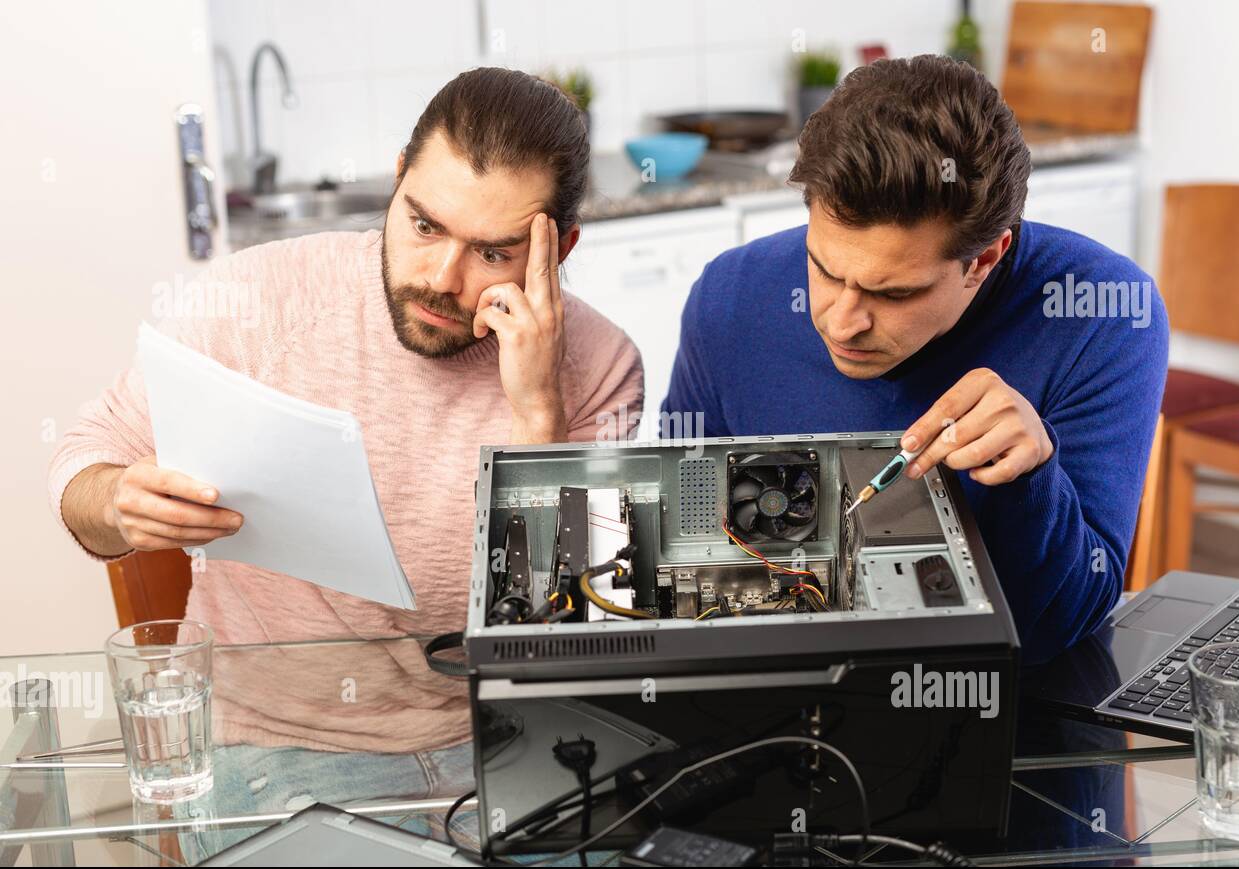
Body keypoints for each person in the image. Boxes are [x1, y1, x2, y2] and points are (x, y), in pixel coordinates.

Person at [47, 68, 643, 768]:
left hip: (501, 736)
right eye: (423, 224)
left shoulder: (599, 366)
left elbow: (563, 635)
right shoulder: (257, 297)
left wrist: (539, 414)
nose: (443, 279)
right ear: (396, 182)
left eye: (492, 253)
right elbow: (82, 461)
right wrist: (118, 504)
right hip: (276, 739)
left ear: (558, 251)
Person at [662, 55, 1168, 664]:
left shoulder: (1102, 314)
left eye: (893, 293)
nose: (841, 320)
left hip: (1009, 703)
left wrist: (1029, 480)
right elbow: (680, 537)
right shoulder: (730, 297)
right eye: (823, 268)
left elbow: (1064, 623)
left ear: (984, 259)